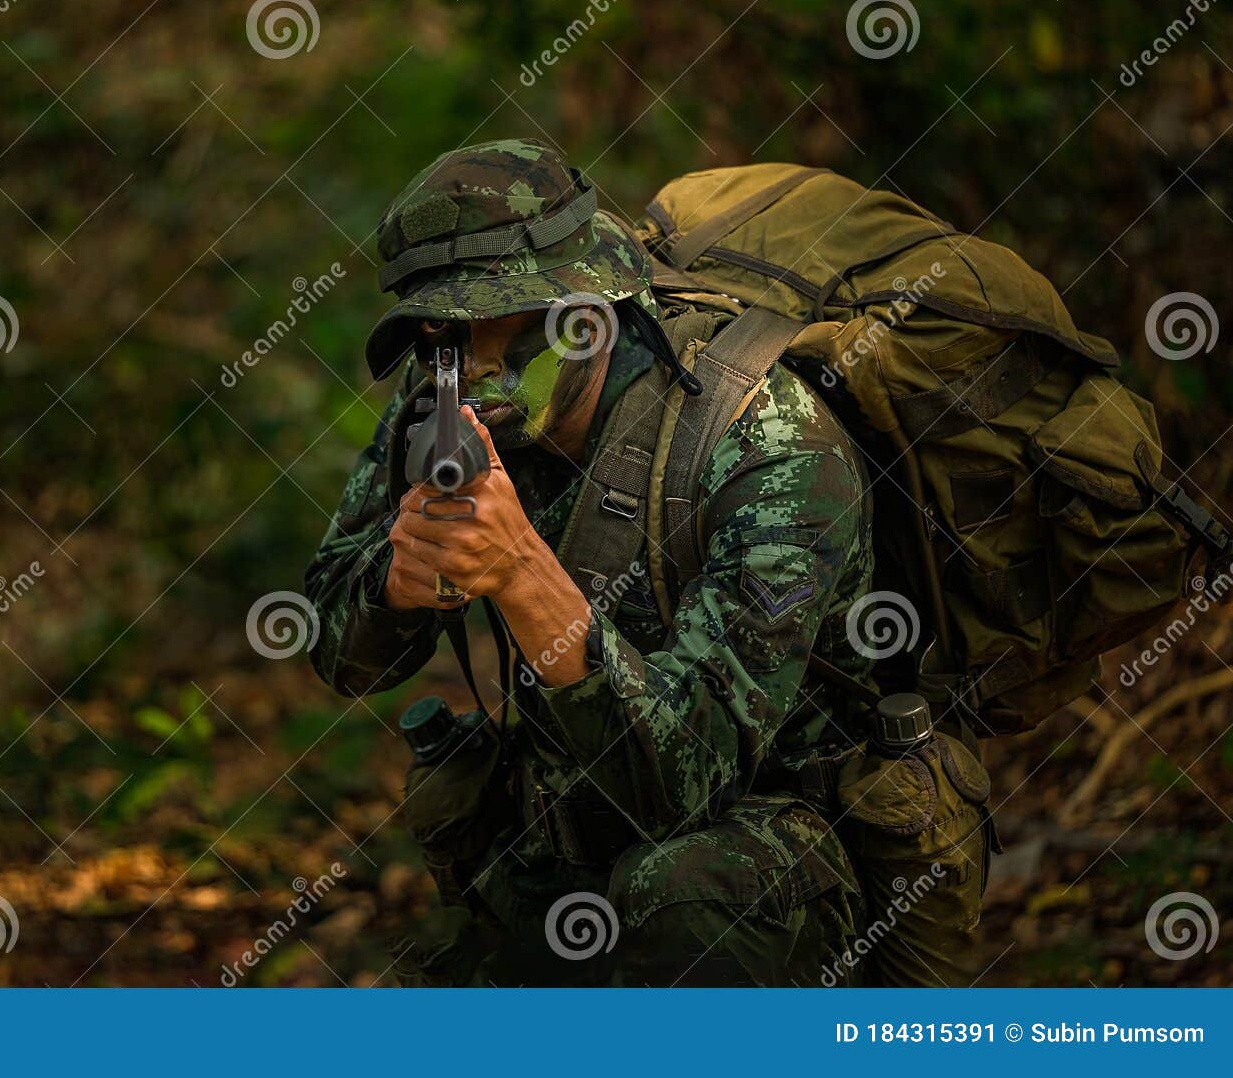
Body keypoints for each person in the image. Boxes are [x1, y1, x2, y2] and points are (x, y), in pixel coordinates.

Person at [305, 139, 877, 985]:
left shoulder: (766, 441)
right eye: (441, 333)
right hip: (565, 841)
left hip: (769, 859)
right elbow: (332, 645)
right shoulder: (450, 398)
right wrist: (397, 584)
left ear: (587, 312)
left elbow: (690, 781)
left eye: (495, 323)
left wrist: (525, 573)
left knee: (679, 899)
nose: (468, 364)